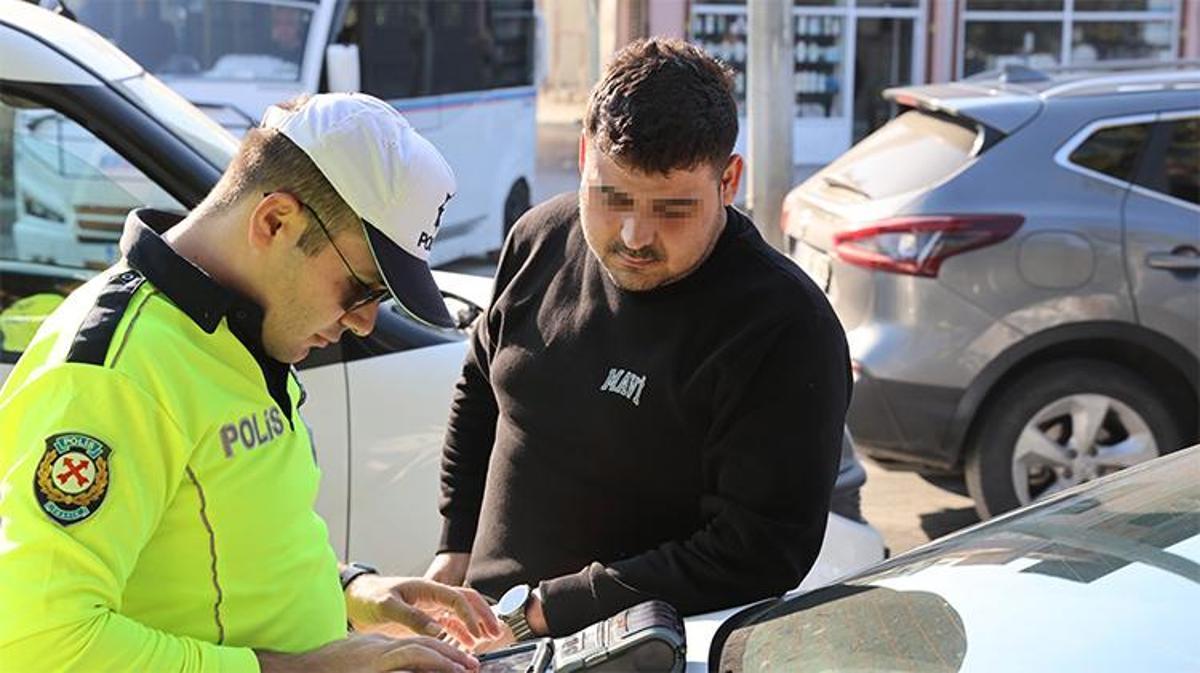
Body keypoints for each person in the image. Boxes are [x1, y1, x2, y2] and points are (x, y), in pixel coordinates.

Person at [0, 93, 502, 672]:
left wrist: (350, 591)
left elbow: (221, 543)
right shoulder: (114, 369)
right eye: (362, 288)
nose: (365, 322)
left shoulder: (237, 328)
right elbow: (37, 641)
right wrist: (301, 669)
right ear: (275, 222)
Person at [426, 38, 851, 639]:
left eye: (672, 209)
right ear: (582, 156)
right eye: (612, 197)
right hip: (488, 639)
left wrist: (545, 612)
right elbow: (480, 394)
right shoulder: (537, 240)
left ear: (729, 180)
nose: (633, 234)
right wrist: (454, 547)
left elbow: (758, 550)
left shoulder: (784, 328)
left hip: (633, 651)